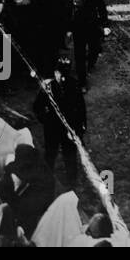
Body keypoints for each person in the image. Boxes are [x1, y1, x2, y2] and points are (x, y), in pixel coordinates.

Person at [34, 56, 87, 185]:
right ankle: (58, 180)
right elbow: (37, 107)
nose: (59, 75)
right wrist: (45, 120)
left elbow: (81, 108)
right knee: (59, 155)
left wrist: (81, 128)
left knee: (61, 155)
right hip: (60, 128)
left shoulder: (66, 86)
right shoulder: (55, 87)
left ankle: (63, 181)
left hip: (61, 129)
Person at [68, 0, 110, 86]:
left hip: (92, 26)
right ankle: (82, 81)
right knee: (79, 54)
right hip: (78, 27)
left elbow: (102, 9)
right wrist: (68, 29)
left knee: (95, 49)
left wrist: (105, 24)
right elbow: (67, 12)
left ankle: (90, 64)